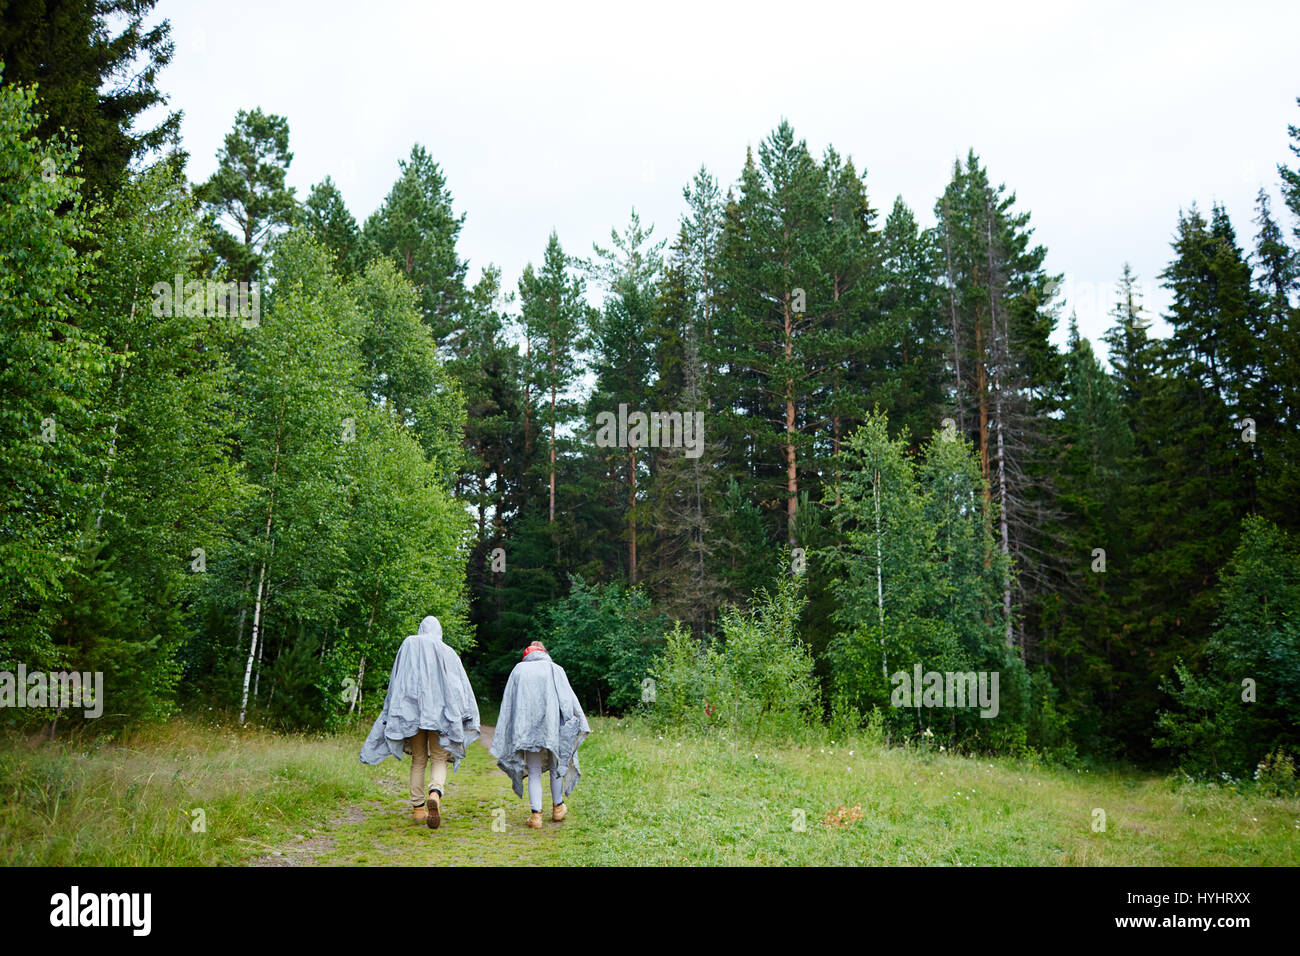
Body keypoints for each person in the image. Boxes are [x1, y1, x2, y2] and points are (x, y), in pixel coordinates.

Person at [360, 615, 480, 829]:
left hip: (410, 712)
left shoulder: (408, 644)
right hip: (440, 715)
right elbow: (458, 686)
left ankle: (418, 809)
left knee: (418, 760)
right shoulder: (447, 652)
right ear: (439, 631)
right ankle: (435, 792)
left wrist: (392, 708)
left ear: (421, 628)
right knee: (439, 758)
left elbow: (397, 677)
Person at [490, 640, 590, 828]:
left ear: (527, 653)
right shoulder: (555, 669)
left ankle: (536, 816)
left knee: (534, 770)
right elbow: (568, 701)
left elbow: (509, 704)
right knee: (555, 767)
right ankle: (558, 807)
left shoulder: (518, 671)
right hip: (553, 728)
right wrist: (574, 721)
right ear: (544, 652)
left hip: (526, 730)